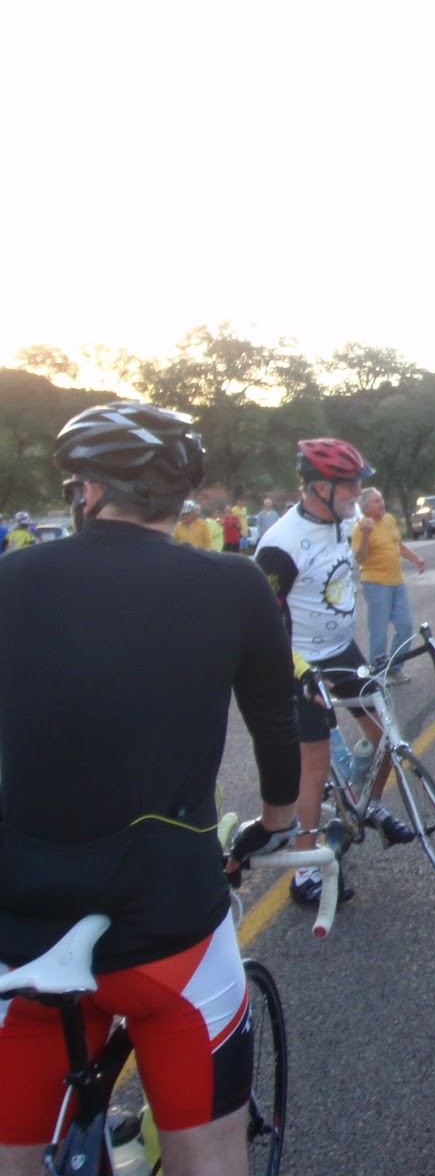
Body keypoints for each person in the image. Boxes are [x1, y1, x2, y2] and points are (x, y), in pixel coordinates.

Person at [0, 402, 300, 1176]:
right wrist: (270, 822)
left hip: (22, 923)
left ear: (87, 494)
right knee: (213, 1158)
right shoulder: (233, 584)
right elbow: (276, 723)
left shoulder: (12, 577)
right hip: (168, 923)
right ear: (179, 501)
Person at [256, 438, 416, 907]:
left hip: (342, 649)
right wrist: (301, 671)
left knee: (387, 732)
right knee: (315, 763)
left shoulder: (343, 524)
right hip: (300, 660)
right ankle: (305, 870)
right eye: (350, 486)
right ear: (319, 487)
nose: (358, 494)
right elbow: (265, 626)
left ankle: (373, 805)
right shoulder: (281, 545)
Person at [352, 487, 426, 682]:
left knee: (405, 625)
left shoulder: (389, 520)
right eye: (376, 501)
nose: (382, 504)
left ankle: (394, 668)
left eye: (381, 499)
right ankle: (376, 673)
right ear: (366, 507)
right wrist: (366, 535)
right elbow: (360, 558)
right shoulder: (360, 528)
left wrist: (416, 559)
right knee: (378, 631)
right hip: (376, 584)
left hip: (397, 582)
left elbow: (397, 545)